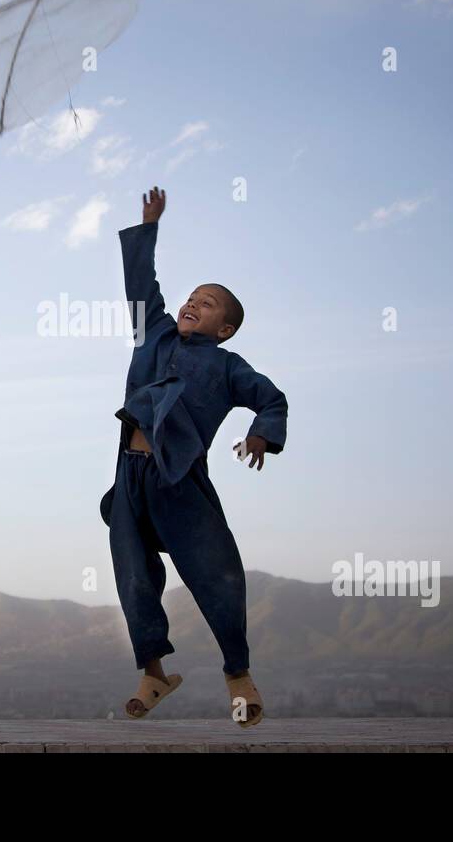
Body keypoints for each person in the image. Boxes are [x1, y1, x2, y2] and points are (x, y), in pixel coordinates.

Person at [101, 186, 288, 727]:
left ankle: (238, 674)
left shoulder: (229, 366)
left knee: (215, 572)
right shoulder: (153, 334)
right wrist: (148, 225)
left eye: (207, 304)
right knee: (133, 575)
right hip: (129, 477)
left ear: (223, 327)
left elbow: (271, 398)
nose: (192, 304)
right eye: (192, 297)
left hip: (180, 480)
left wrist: (261, 434)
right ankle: (154, 672)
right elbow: (142, 285)